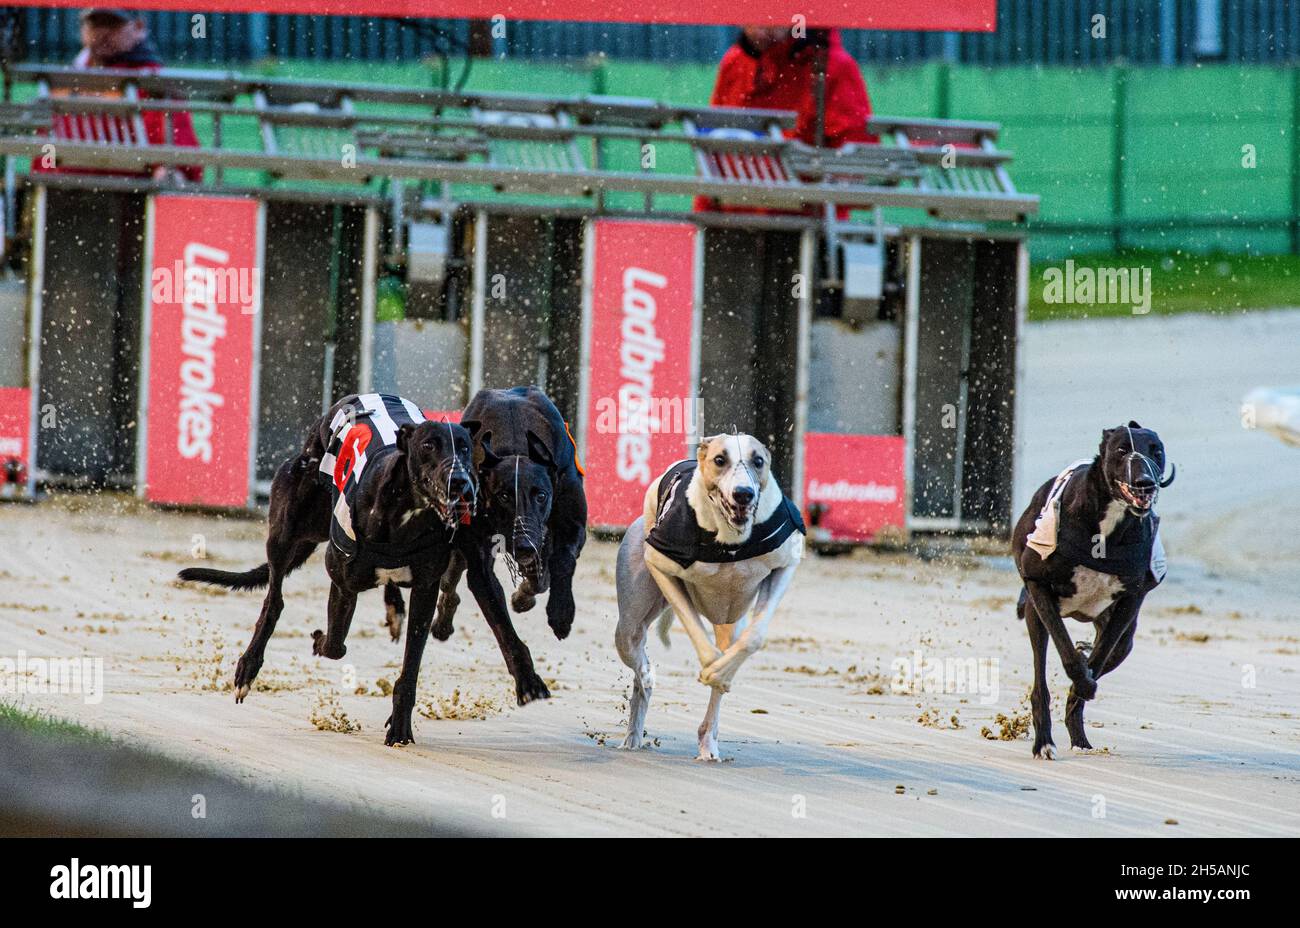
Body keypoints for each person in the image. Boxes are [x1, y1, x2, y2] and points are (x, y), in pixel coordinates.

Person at [695, 26, 873, 212]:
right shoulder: (735, 62)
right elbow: (712, 152)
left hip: (800, 227)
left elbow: (856, 173)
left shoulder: (833, 67)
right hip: (735, 222)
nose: (760, 29)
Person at [34, 8, 202, 183]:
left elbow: (177, 149)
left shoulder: (155, 81)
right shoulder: (65, 79)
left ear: (139, 28)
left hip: (129, 190)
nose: (103, 33)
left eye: (113, 24)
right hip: (67, 187)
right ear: (83, 29)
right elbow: (46, 147)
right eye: (96, 24)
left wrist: (170, 171)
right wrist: (43, 178)